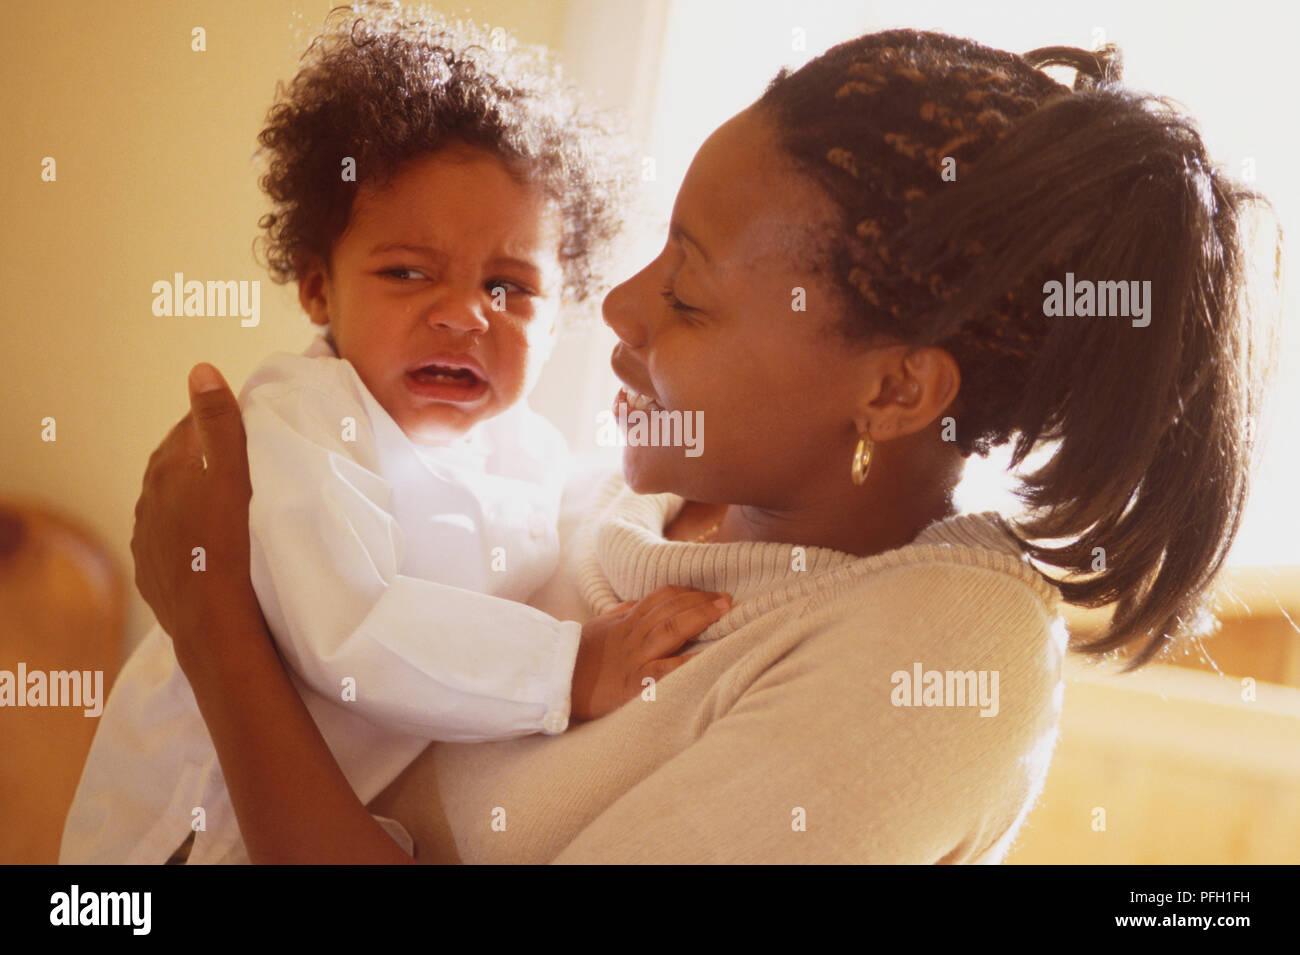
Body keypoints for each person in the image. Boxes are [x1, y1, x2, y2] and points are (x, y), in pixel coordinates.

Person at [126, 29, 1275, 863]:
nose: (616, 309)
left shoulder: (936, 652)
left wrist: (212, 613)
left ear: (892, 389)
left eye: (687, 294)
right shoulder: (632, 495)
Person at [60, 5, 729, 866]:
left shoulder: (528, 454)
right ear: (316, 288)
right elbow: (349, 632)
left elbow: (585, 532)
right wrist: (570, 669)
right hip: (191, 833)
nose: (461, 314)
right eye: (407, 272)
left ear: (562, 311)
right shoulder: (298, 423)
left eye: (510, 287)